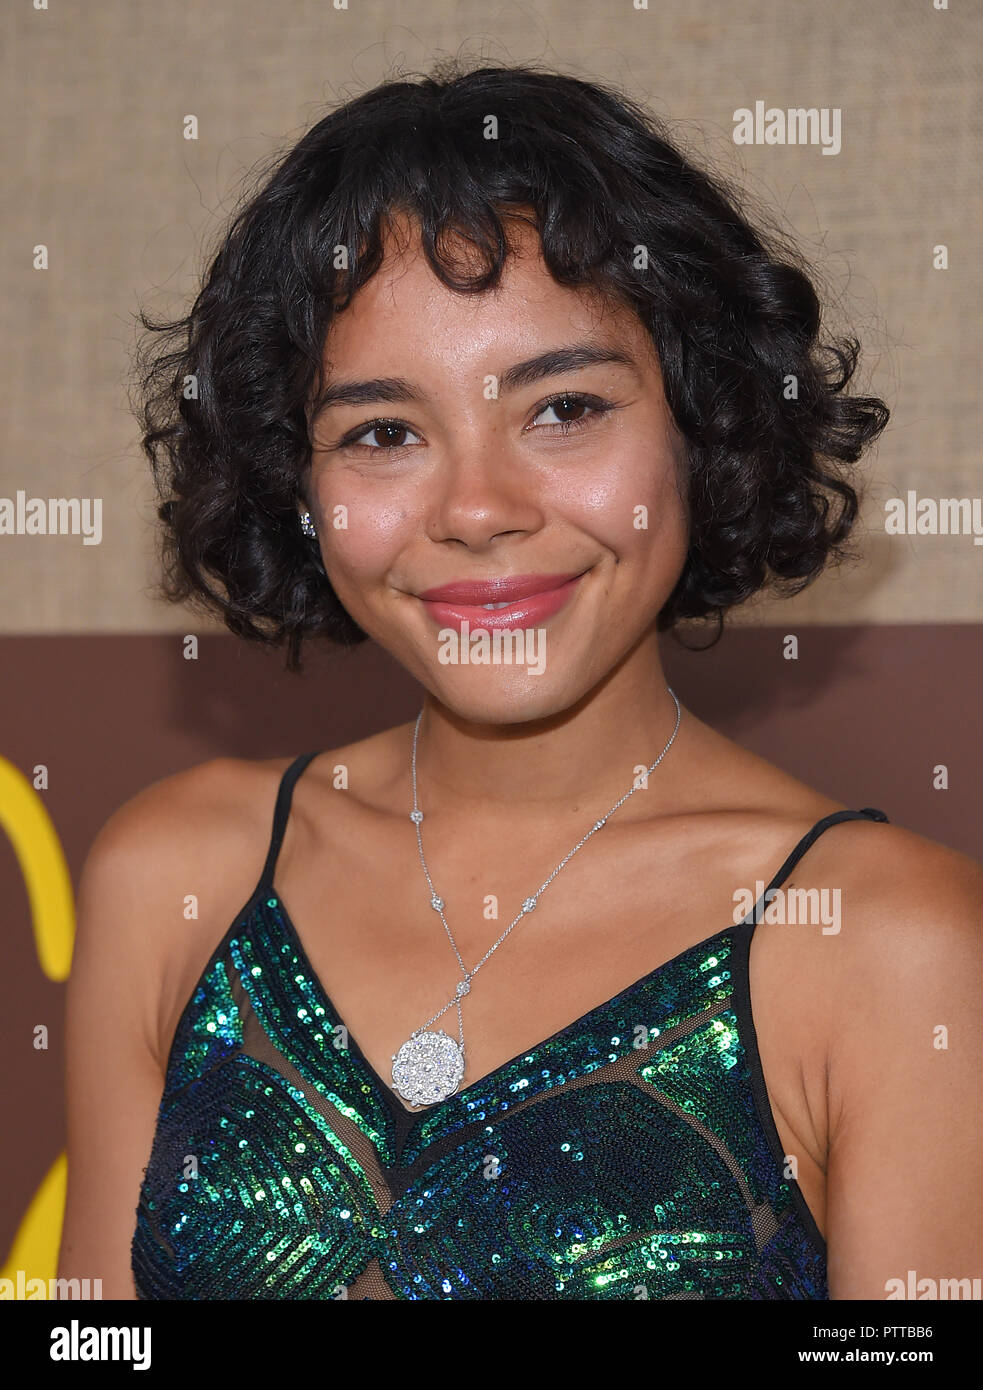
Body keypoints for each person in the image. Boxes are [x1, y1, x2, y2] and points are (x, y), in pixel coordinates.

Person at [58, 61, 982, 1301]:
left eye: (563, 408)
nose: (479, 509)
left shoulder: (893, 944)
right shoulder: (173, 874)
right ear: (298, 484)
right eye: (383, 432)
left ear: (696, 427)